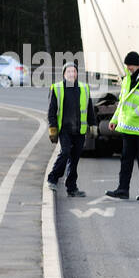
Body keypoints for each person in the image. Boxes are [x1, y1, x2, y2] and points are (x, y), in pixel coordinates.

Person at [106, 50, 139, 201]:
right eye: (127, 65)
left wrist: (135, 112)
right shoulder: (127, 79)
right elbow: (122, 103)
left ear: (137, 65)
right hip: (128, 127)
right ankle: (122, 190)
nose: (128, 68)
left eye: (130, 65)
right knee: (126, 160)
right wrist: (114, 119)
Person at [46, 62, 94, 197]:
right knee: (65, 152)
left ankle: (72, 188)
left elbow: (89, 109)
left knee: (75, 159)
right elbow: (51, 111)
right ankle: (52, 178)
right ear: (64, 74)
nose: (72, 74)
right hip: (65, 130)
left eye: (74, 71)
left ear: (77, 73)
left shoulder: (84, 88)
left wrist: (93, 125)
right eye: (69, 71)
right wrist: (53, 129)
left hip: (79, 130)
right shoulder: (57, 88)